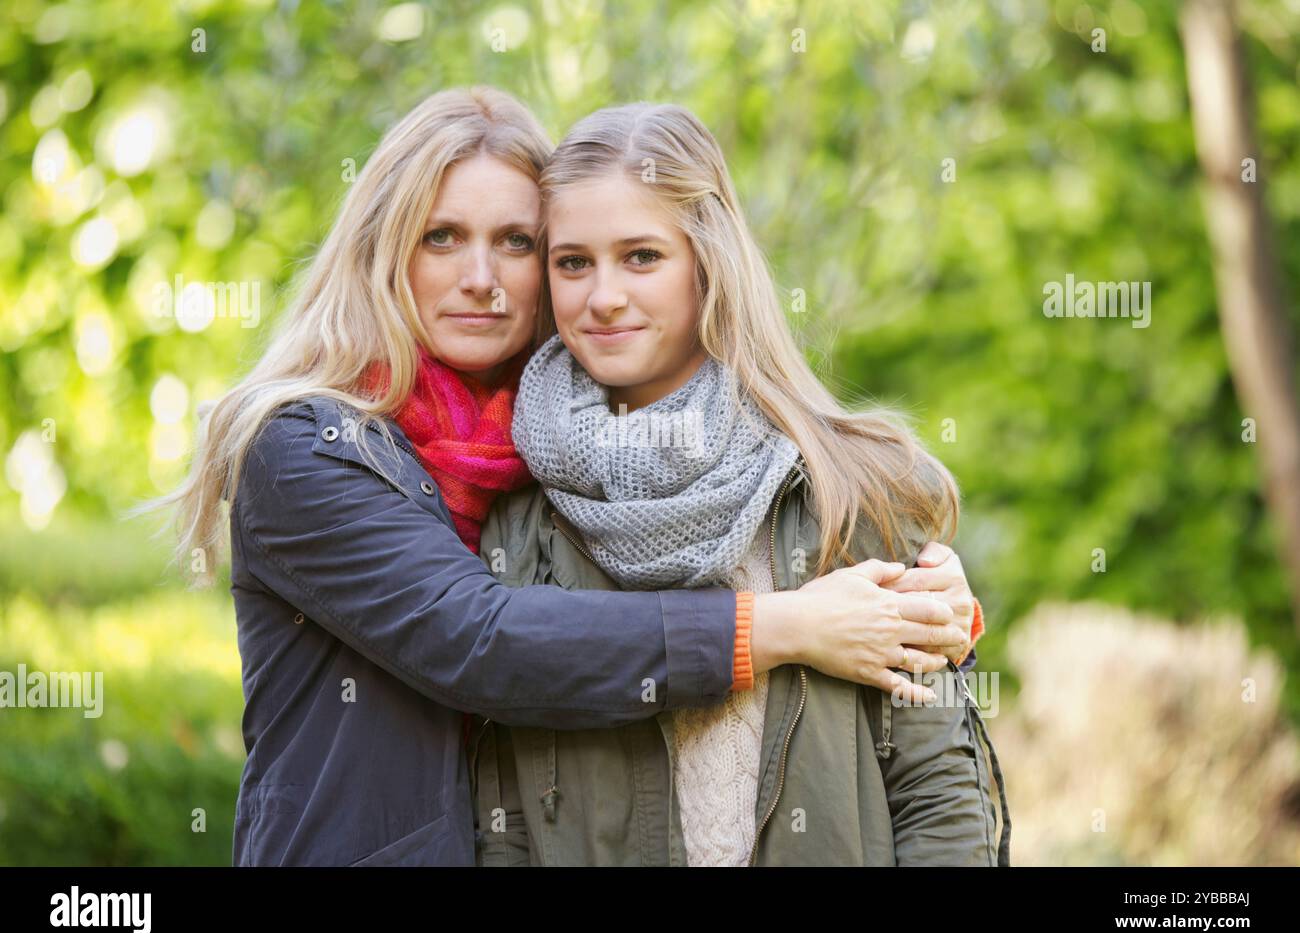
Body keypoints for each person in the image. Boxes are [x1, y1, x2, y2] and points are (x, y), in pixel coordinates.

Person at [157, 87, 977, 866]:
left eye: (516, 242)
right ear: (382, 249)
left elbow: (937, 777)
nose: (483, 276)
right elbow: (486, 641)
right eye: (441, 236)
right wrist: (784, 626)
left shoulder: (555, 458)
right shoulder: (313, 447)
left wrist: (938, 608)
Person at [474, 102, 1009, 866]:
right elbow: (505, 820)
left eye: (642, 256)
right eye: (573, 262)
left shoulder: (845, 487)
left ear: (708, 259)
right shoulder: (519, 520)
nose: (603, 296)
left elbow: (934, 789)